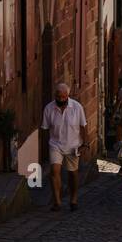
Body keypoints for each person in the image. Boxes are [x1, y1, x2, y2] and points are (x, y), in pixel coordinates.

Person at [41, 82, 87, 212]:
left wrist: (85, 144)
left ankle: (73, 198)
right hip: (55, 145)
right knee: (54, 171)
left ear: (68, 95)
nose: (60, 99)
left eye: (62, 97)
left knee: (73, 174)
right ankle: (57, 201)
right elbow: (45, 128)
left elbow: (83, 126)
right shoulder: (49, 108)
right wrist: (45, 147)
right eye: (58, 96)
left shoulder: (77, 108)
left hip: (73, 145)